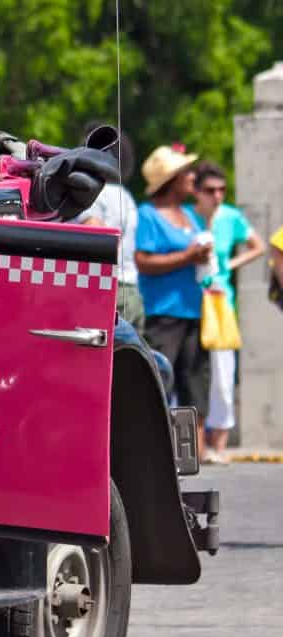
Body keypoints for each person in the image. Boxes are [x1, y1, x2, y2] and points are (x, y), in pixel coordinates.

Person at [188, 161, 264, 459]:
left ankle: (218, 445)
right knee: (194, 374)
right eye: (210, 190)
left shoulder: (231, 217)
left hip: (220, 302)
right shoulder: (189, 217)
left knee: (222, 373)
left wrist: (230, 265)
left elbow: (258, 246)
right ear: (197, 191)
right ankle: (197, 446)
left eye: (221, 189)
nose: (217, 195)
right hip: (192, 302)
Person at [134, 145, 212, 433]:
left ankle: (200, 454)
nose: (192, 176)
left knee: (196, 383)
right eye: (185, 172)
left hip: (193, 311)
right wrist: (187, 257)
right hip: (164, 314)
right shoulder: (149, 215)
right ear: (172, 180)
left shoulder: (190, 215)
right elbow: (143, 261)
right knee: (161, 384)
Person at [78, 127, 144, 333]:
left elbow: (95, 241)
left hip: (109, 291)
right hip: (132, 291)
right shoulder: (125, 195)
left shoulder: (97, 194)